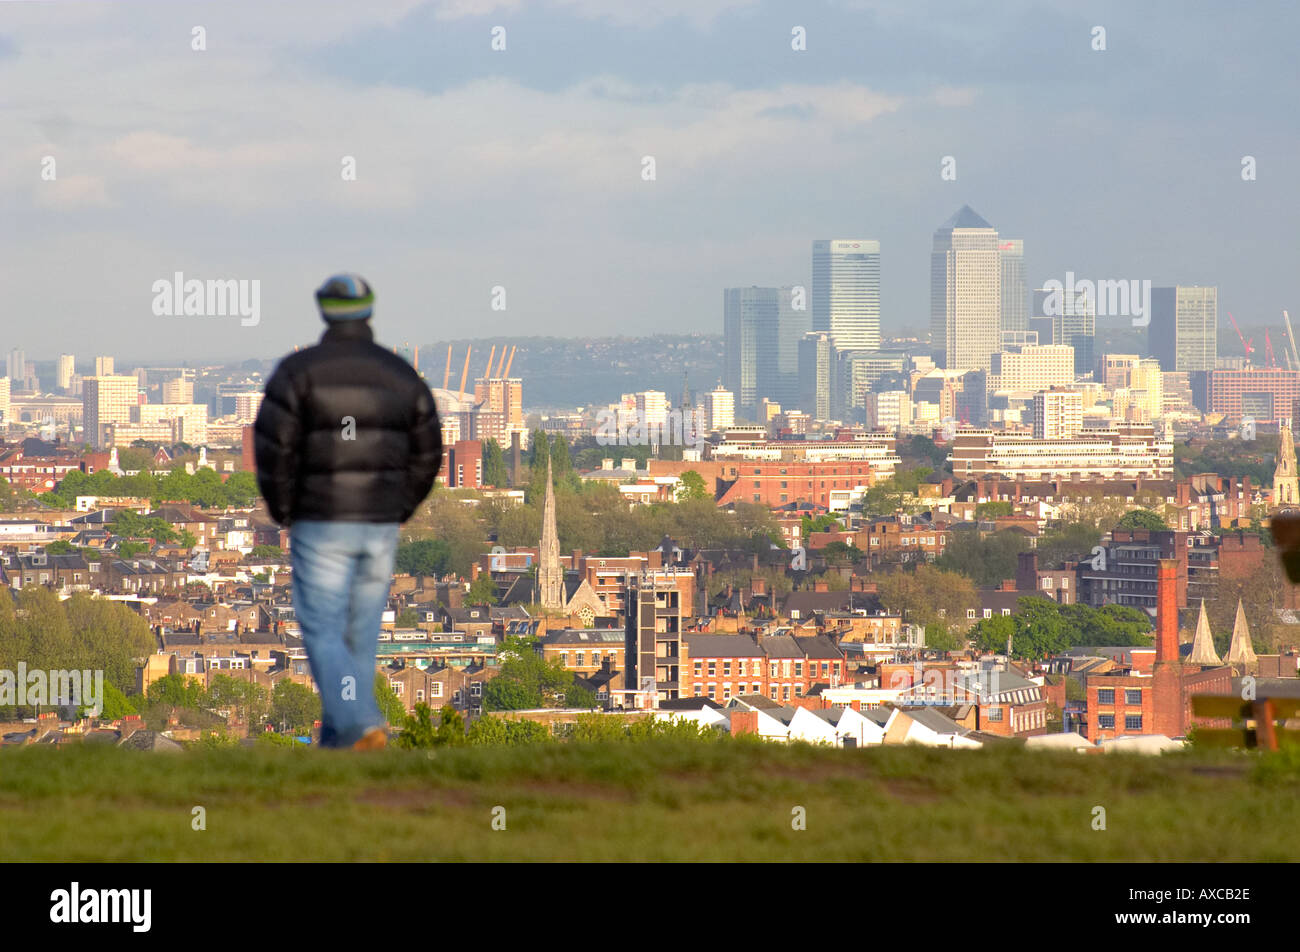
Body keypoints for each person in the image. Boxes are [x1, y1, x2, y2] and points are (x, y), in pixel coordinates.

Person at [254, 274, 442, 750]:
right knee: (359, 635)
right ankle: (342, 746)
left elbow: (271, 449)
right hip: (378, 523)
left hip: (318, 520)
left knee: (321, 629)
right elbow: (429, 451)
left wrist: (282, 509)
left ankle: (359, 723)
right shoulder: (400, 375)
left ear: (323, 310)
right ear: (369, 310)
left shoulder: (297, 373)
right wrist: (400, 505)